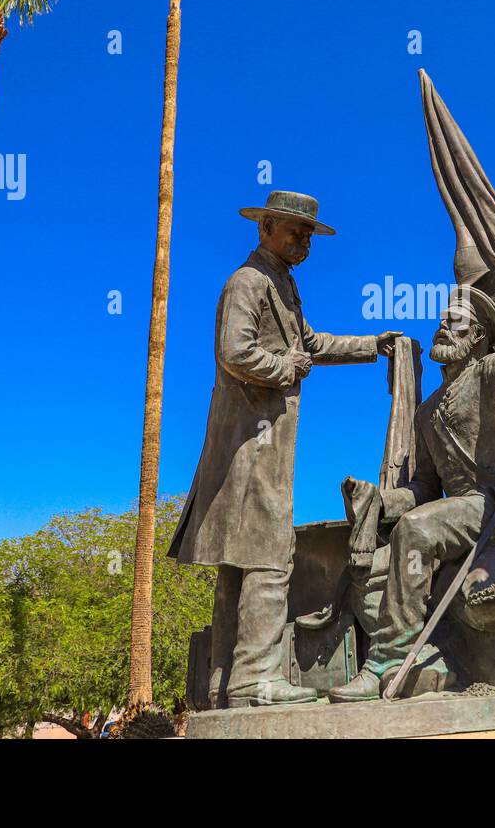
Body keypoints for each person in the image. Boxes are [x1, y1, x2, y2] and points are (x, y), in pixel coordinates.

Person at [168, 190, 400, 708]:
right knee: (271, 555)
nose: (304, 241)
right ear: (266, 226)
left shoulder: (282, 286)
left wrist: (370, 345)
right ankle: (256, 681)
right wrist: (284, 369)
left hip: (259, 442)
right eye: (295, 231)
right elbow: (235, 350)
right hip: (250, 443)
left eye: (309, 234)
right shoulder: (248, 282)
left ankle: (224, 682)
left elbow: (311, 344)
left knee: (239, 563)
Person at [327, 256, 495, 703]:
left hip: (493, 511)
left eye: (457, 323)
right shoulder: (426, 412)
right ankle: (431, 661)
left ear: (479, 337)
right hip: (456, 516)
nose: (445, 327)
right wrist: (379, 503)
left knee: (416, 529)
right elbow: (424, 487)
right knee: (374, 565)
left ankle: (384, 662)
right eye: (443, 320)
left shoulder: (489, 376)